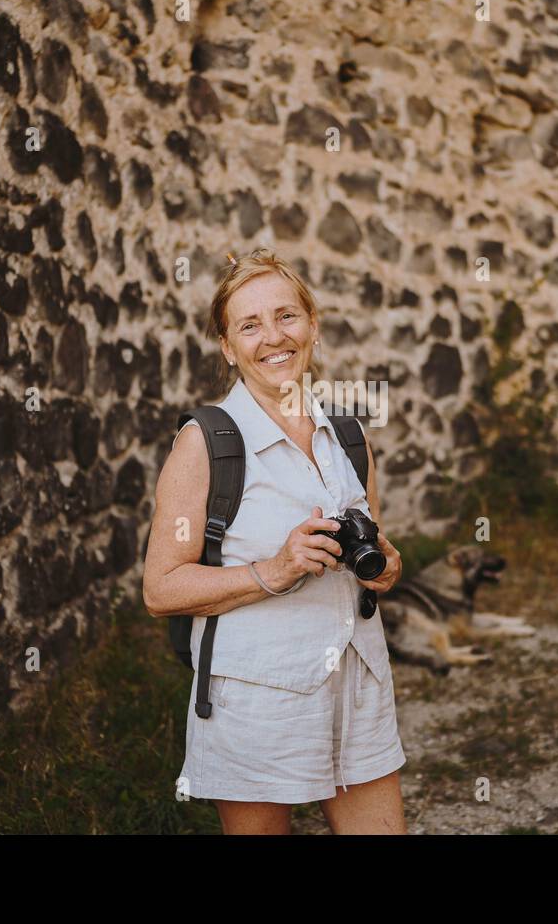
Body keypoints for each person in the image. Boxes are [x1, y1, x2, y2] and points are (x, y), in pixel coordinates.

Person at [142, 248, 408, 835]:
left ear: (312, 324)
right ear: (228, 347)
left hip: (358, 684)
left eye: (286, 316)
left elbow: (378, 552)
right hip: (256, 699)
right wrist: (276, 568)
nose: (273, 337)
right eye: (250, 325)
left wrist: (385, 567)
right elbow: (161, 589)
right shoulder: (206, 442)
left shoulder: (348, 436)